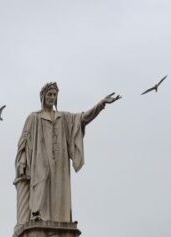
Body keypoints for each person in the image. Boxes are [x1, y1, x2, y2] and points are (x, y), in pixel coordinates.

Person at [15, 82, 120, 227]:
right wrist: (21, 162)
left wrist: (101, 104)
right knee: (40, 184)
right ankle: (37, 216)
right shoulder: (34, 117)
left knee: (59, 190)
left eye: (54, 95)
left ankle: (60, 221)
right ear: (43, 97)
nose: (52, 97)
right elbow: (23, 142)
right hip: (40, 159)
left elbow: (83, 118)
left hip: (60, 162)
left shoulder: (63, 117)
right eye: (49, 94)